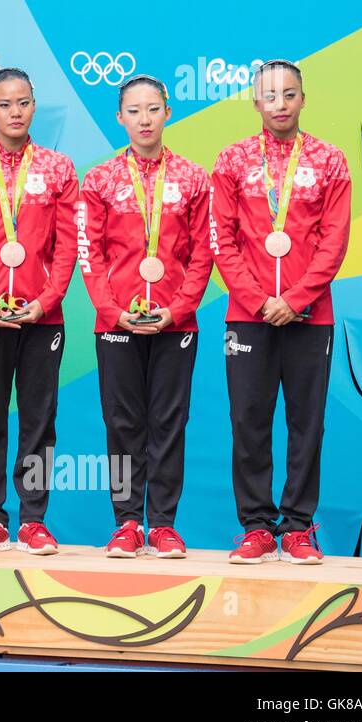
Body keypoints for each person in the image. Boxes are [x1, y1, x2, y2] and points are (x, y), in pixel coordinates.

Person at [213, 60, 350, 565]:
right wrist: (257, 300)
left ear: (303, 98)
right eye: (270, 97)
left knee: (305, 422)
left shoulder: (330, 160)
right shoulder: (231, 161)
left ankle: (296, 527)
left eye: (289, 95)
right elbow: (221, 240)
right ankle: (256, 527)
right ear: (256, 103)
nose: (280, 104)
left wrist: (293, 300)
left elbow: (334, 241)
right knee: (248, 420)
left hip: (311, 315)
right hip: (247, 315)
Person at [77, 75, 214, 559]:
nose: (144, 119)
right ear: (120, 118)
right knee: (122, 423)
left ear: (168, 112)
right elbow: (89, 253)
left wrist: (178, 310)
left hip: (176, 325)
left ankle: (163, 524)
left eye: (152, 109)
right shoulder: (99, 180)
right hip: (117, 325)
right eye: (133, 111)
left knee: (169, 422)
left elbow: (203, 255)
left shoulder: (194, 179)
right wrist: (113, 312)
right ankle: (127, 522)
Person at [0, 68, 78, 557]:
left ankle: (34, 520)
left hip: (43, 319)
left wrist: (45, 303)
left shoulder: (60, 169)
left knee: (40, 419)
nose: (16, 112)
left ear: (34, 105)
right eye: (5, 104)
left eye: (23, 102)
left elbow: (67, 248)